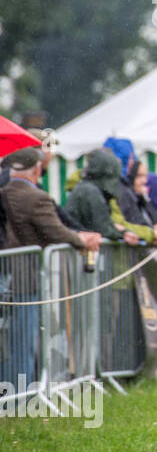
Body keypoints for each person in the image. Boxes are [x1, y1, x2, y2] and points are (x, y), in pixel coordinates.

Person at [2, 148, 103, 384]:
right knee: (23, 341)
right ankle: (21, 395)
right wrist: (81, 240)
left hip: (12, 274)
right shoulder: (35, 197)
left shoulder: (5, 193)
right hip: (25, 277)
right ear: (37, 168)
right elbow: (54, 230)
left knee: (10, 342)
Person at [64, 149, 141, 246]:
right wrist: (122, 234)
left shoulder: (87, 188)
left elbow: (105, 224)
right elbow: (102, 228)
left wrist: (123, 232)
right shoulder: (91, 192)